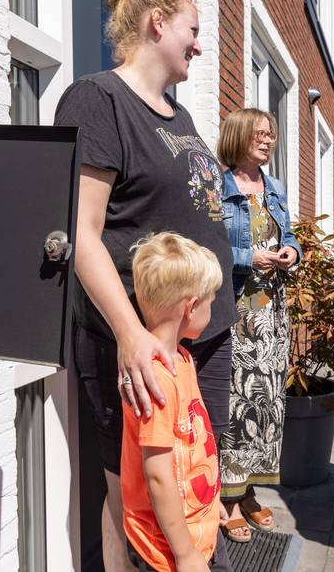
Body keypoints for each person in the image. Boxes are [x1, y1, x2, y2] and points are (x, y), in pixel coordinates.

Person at [53, 0, 237, 571]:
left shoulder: (179, 116)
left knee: (190, 484)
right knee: (131, 497)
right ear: (158, 24)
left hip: (201, 336)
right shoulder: (98, 99)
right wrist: (131, 333)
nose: (200, 46)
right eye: (193, 30)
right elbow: (80, 231)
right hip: (141, 346)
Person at [214, 108, 301, 542]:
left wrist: (291, 253)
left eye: (272, 134)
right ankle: (226, 500)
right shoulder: (217, 185)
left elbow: (291, 236)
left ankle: (247, 490)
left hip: (272, 314)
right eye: (260, 134)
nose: (268, 140)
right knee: (235, 405)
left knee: (266, 406)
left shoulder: (276, 187)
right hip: (237, 314)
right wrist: (250, 257)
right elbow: (207, 247)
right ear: (239, 136)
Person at [123, 232, 226, 572]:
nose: (213, 307)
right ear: (191, 307)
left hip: (198, 526)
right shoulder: (158, 380)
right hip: (168, 550)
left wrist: (210, 501)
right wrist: (184, 554)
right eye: (211, 300)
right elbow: (158, 476)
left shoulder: (181, 358)